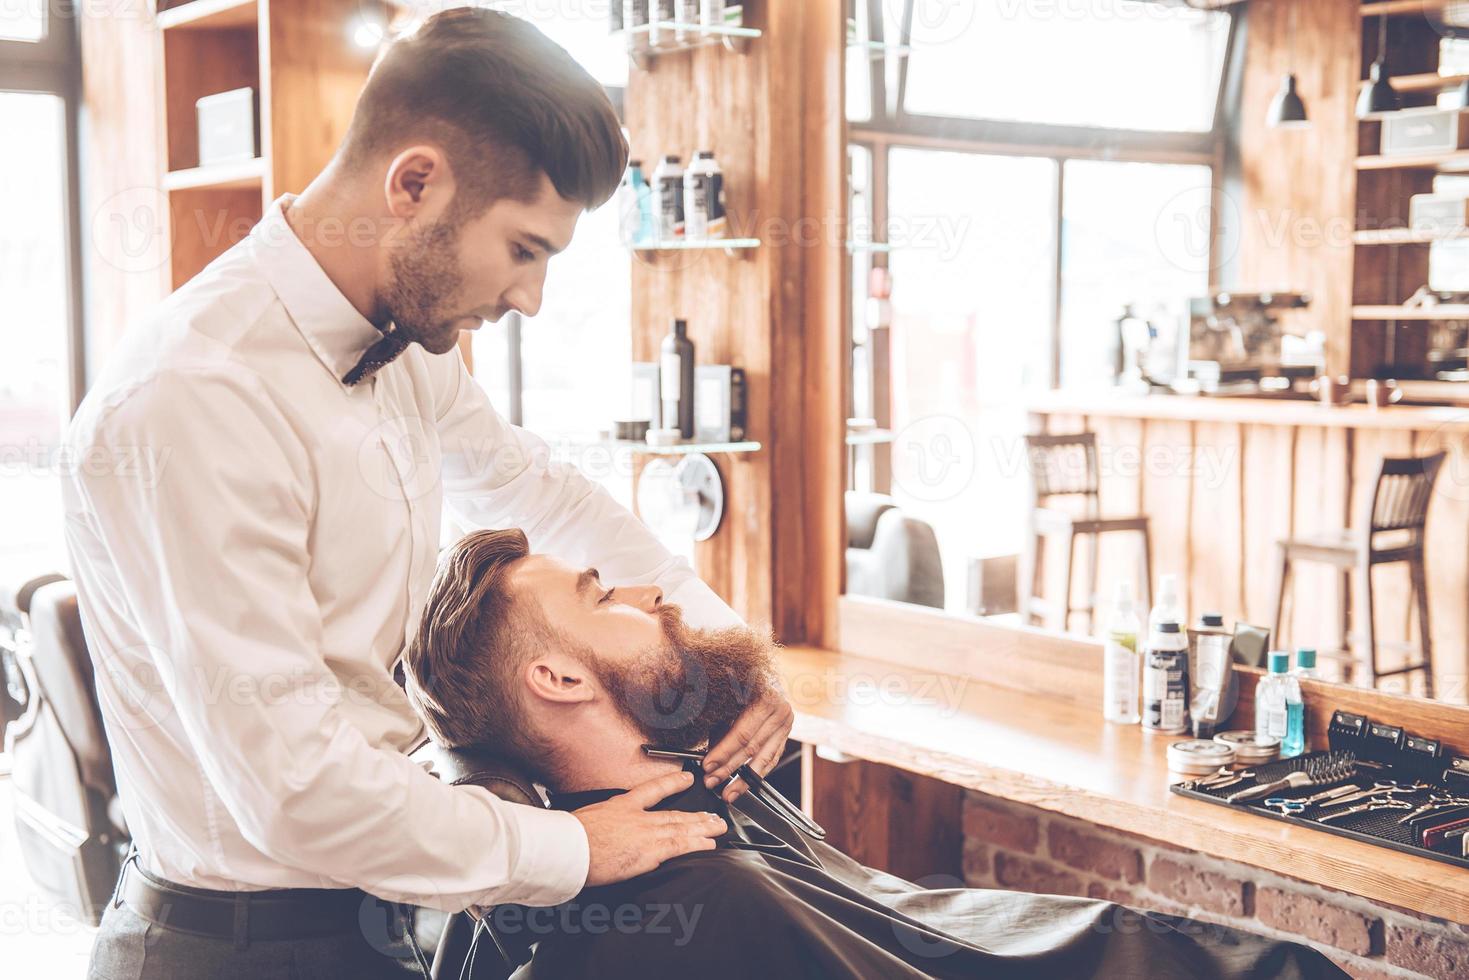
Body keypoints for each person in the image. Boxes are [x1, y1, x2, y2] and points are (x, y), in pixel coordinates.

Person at [63, 9, 790, 977]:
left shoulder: (407, 347)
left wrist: (729, 655)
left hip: (376, 917)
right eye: (524, 250)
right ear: (412, 184)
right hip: (231, 949)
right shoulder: (191, 396)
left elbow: (538, 488)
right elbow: (295, 787)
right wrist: (570, 851)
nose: (530, 299)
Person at [403, 529, 1350, 980]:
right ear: (556, 682)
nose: (652, 589)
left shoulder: (701, 795)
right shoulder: (695, 898)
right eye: (600, 592)